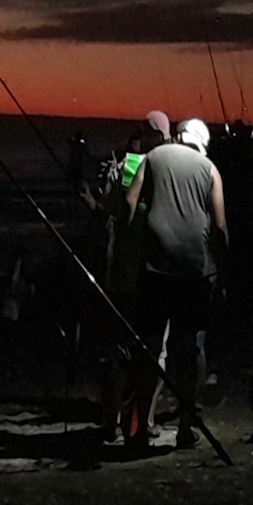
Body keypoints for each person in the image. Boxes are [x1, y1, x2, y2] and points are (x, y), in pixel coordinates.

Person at [126, 118, 228, 450]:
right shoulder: (211, 169)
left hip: (155, 268)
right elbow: (220, 228)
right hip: (195, 271)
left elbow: (129, 203)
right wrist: (222, 272)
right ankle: (186, 426)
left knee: (151, 346)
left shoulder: (152, 158)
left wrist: (130, 249)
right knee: (191, 346)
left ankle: (141, 427)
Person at [78, 110, 170, 445]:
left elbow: (109, 210)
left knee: (117, 352)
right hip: (156, 274)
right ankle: (143, 423)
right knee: (155, 352)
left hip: (123, 277)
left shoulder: (128, 168)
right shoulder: (167, 167)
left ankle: (111, 423)